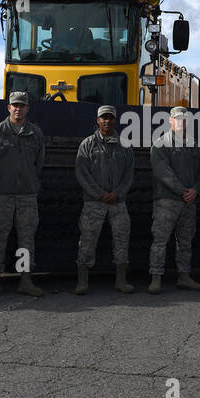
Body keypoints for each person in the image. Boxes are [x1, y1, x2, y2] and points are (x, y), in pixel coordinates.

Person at [0, 92, 46, 297]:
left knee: (26, 240)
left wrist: (28, 182)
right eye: (14, 105)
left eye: (22, 105)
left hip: (27, 196)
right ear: (8, 108)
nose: (18, 109)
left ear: (28, 108)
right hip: (1, 196)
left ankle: (25, 279)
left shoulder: (35, 134)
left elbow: (39, 163)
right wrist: (0, 182)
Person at [74, 105, 136, 294]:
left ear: (115, 120)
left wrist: (118, 192)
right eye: (103, 118)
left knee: (122, 239)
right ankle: (82, 281)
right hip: (94, 202)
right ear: (97, 120)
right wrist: (99, 194)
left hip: (118, 202)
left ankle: (121, 280)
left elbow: (129, 174)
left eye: (110, 117)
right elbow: (81, 173)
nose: (107, 121)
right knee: (87, 240)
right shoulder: (87, 144)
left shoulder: (125, 144)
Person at [148, 106, 200, 294]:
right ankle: (156, 278)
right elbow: (162, 172)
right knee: (160, 240)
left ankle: (184, 276)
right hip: (168, 201)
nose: (181, 121)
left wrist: (195, 190)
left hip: (188, 202)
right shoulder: (160, 144)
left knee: (185, 241)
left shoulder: (194, 145)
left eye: (184, 118)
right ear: (170, 121)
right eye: (177, 118)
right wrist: (184, 191)